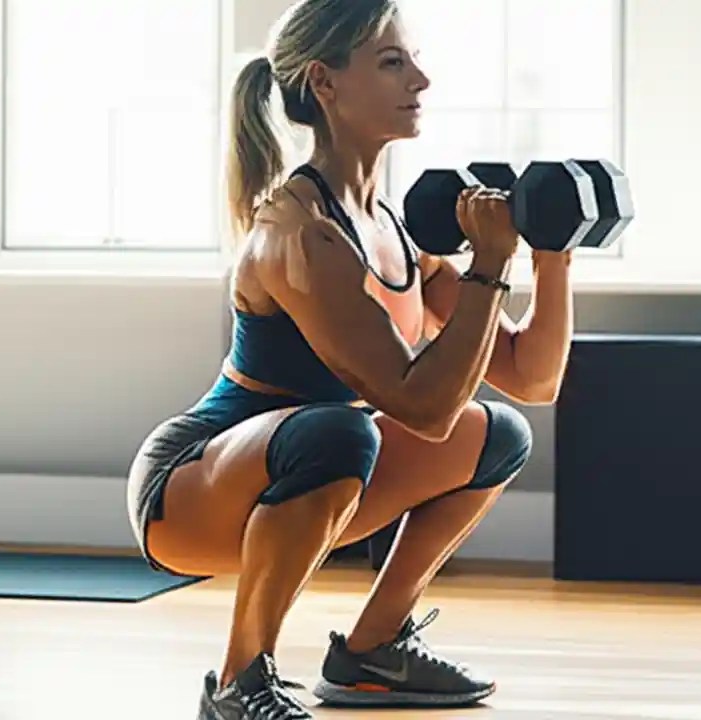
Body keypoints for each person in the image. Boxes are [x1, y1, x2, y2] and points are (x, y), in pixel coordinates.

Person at [124, 0, 576, 717]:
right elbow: (423, 407)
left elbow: (533, 378)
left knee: (498, 434)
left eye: (414, 60)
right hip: (190, 489)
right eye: (393, 62)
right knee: (342, 429)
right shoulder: (300, 233)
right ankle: (240, 683)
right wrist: (489, 262)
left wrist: (551, 255)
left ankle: (373, 652)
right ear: (325, 84)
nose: (421, 81)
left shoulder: (393, 229)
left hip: (321, 467)